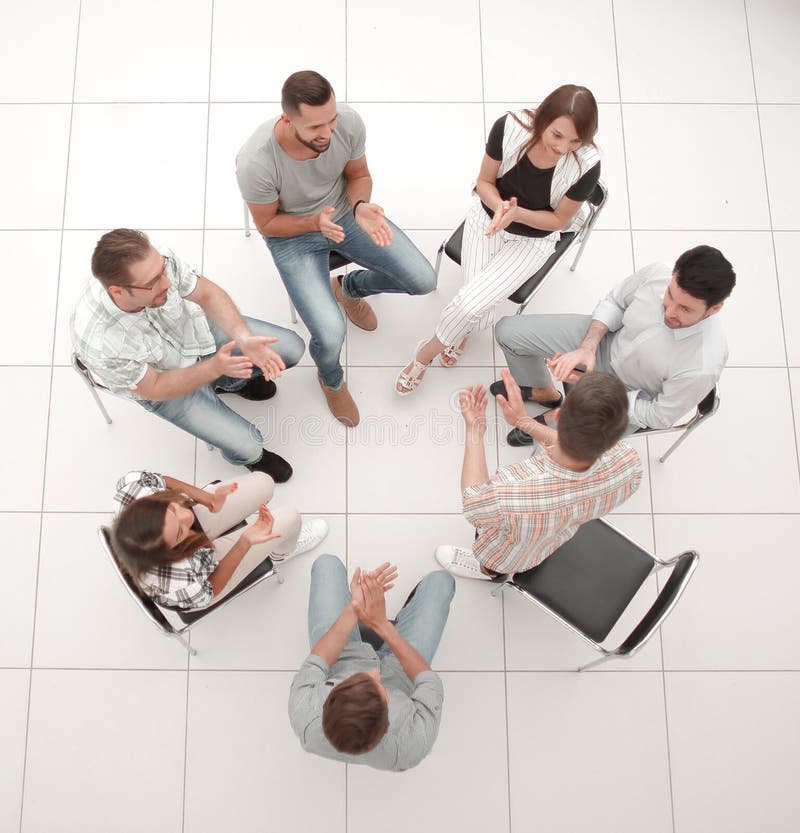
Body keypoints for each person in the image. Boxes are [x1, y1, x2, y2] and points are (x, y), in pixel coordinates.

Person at [236, 70, 437, 426]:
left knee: (423, 280)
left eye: (331, 120)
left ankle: (349, 288)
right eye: (315, 127)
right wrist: (314, 223)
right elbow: (268, 224)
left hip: (345, 213)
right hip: (292, 236)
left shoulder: (348, 123)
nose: (327, 132)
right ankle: (331, 380)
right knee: (329, 334)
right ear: (287, 119)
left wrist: (359, 207)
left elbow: (358, 176)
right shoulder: (256, 163)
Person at [395, 84, 601, 396]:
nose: (564, 147)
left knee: (468, 303)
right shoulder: (511, 127)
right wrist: (500, 208)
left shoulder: (586, 163)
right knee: (475, 307)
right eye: (557, 135)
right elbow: (484, 182)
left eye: (575, 140)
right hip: (488, 216)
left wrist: (517, 215)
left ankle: (424, 353)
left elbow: (558, 220)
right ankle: (460, 332)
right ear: (543, 118)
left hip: (534, 239)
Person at [71, 229, 305, 480]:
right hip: (162, 381)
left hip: (193, 332)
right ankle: (250, 457)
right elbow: (155, 387)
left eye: (163, 271)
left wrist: (243, 338)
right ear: (119, 292)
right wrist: (215, 367)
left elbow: (207, 293)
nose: (168, 283)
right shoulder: (101, 343)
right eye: (154, 283)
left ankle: (230, 383)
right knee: (249, 444)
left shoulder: (153, 262)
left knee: (291, 348)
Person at [492, 245, 736, 445]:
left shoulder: (703, 363)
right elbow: (617, 302)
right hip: (605, 343)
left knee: (554, 456)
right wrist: (588, 347)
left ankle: (556, 418)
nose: (669, 311)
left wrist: (601, 393)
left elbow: (660, 415)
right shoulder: (660, 272)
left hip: (625, 394)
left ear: (714, 309)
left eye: (685, 309)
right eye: (670, 295)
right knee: (508, 332)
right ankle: (545, 392)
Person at [435, 370, 642, 579]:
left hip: (510, 554)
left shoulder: (511, 492)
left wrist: (474, 430)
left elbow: (473, 501)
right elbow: (582, 447)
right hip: (557, 534)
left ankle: (488, 572)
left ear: (558, 416)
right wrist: (525, 422)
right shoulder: (629, 462)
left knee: (492, 561)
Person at [288, 554, 455, 771]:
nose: (374, 672)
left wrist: (354, 608)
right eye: (379, 687)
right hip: (403, 672)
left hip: (343, 656)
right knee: (442, 581)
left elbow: (317, 663)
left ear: (326, 701)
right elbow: (427, 680)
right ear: (388, 728)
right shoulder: (410, 746)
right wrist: (381, 625)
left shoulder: (304, 714)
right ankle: (407, 614)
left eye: (359, 679)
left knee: (327, 563)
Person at [111, 470, 328, 610]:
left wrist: (207, 499)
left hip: (188, 551)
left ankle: (175, 521)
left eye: (173, 509)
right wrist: (245, 541)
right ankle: (280, 554)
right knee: (290, 518)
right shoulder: (180, 582)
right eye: (178, 532)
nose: (188, 515)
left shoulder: (132, 488)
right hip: (204, 574)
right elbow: (211, 588)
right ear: (168, 551)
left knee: (265, 482)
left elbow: (161, 481)